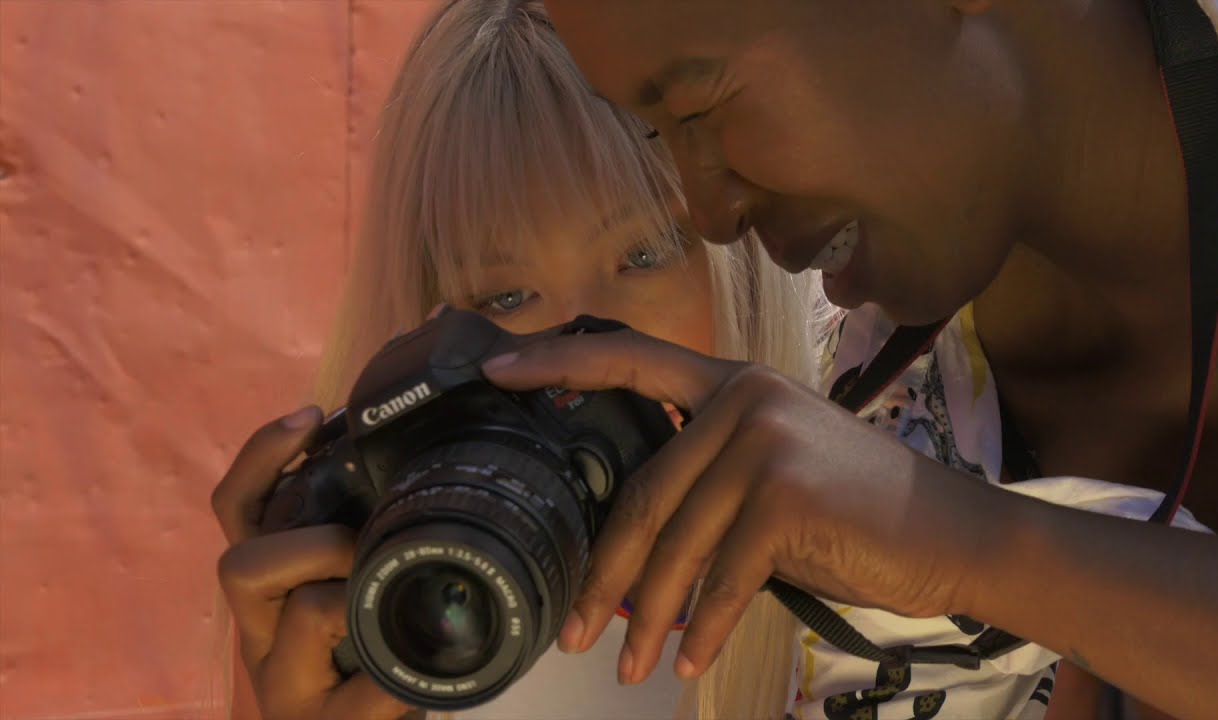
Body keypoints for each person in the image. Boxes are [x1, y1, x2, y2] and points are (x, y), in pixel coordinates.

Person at [468, 1, 1218, 719]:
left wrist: (979, 551)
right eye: (660, 136)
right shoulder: (823, 423)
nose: (710, 213)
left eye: (700, 106)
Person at [210, 1, 828, 718]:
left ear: (743, 249)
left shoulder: (892, 465)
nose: (586, 346)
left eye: (645, 253)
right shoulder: (394, 599)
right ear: (426, 332)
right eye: (506, 295)